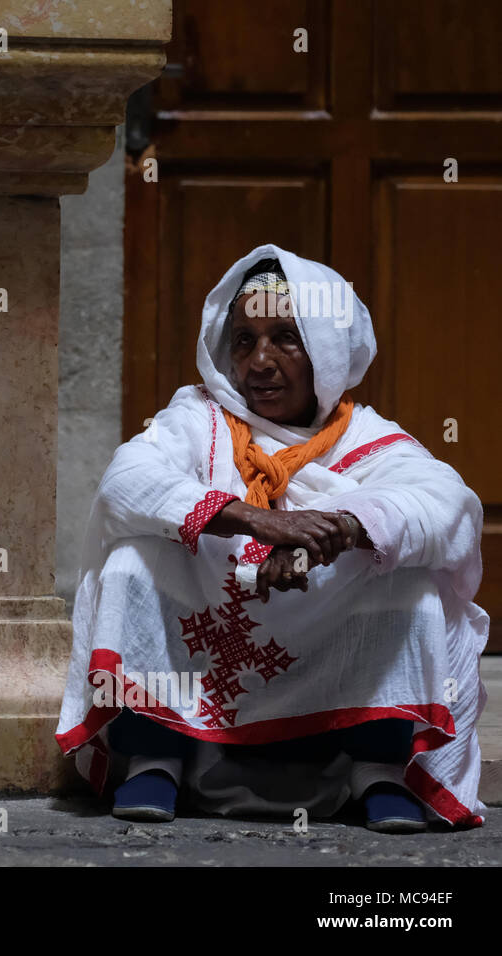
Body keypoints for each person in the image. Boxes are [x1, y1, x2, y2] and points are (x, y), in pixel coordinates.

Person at [55, 244, 489, 832]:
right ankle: (156, 757)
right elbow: (124, 483)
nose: (259, 361)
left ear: (329, 349)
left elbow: (448, 506)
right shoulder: (199, 419)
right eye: (244, 340)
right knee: (134, 556)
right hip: (212, 630)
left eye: (286, 337)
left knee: (411, 577)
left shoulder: (366, 436)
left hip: (323, 624)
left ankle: (377, 772)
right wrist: (262, 522)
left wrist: (339, 531)